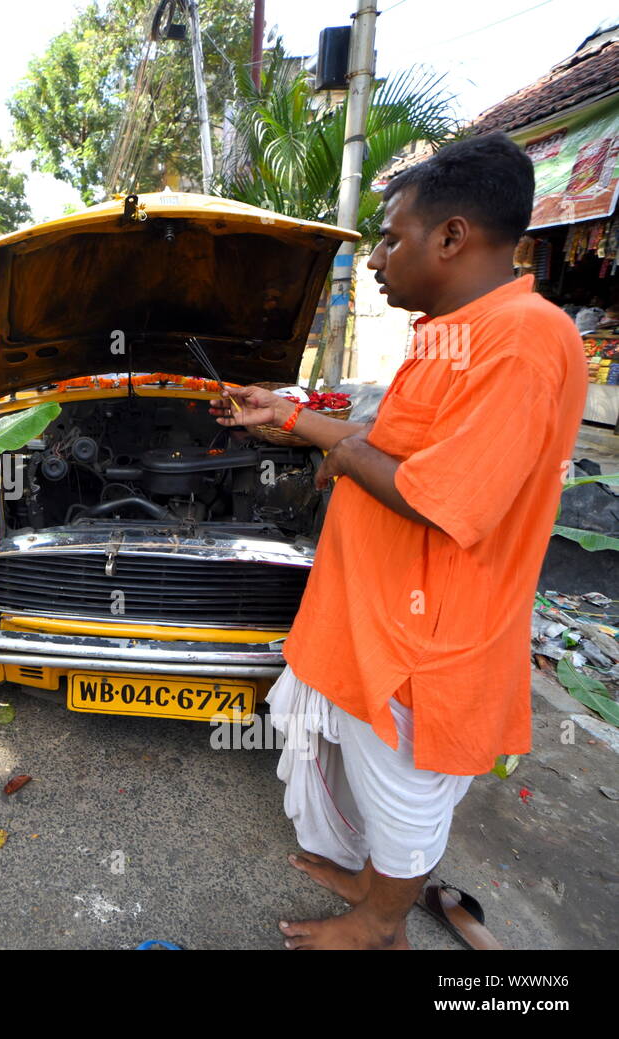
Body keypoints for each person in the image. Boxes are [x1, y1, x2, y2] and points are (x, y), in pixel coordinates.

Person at [210, 132, 587, 950]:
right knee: (373, 786)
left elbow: (443, 496)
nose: (376, 258)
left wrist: (341, 454)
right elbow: (396, 440)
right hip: (374, 618)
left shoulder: (520, 339)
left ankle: (380, 924)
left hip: (426, 642)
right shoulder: (457, 328)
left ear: (452, 236)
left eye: (391, 237)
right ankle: (372, 880)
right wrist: (286, 415)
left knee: (406, 798)